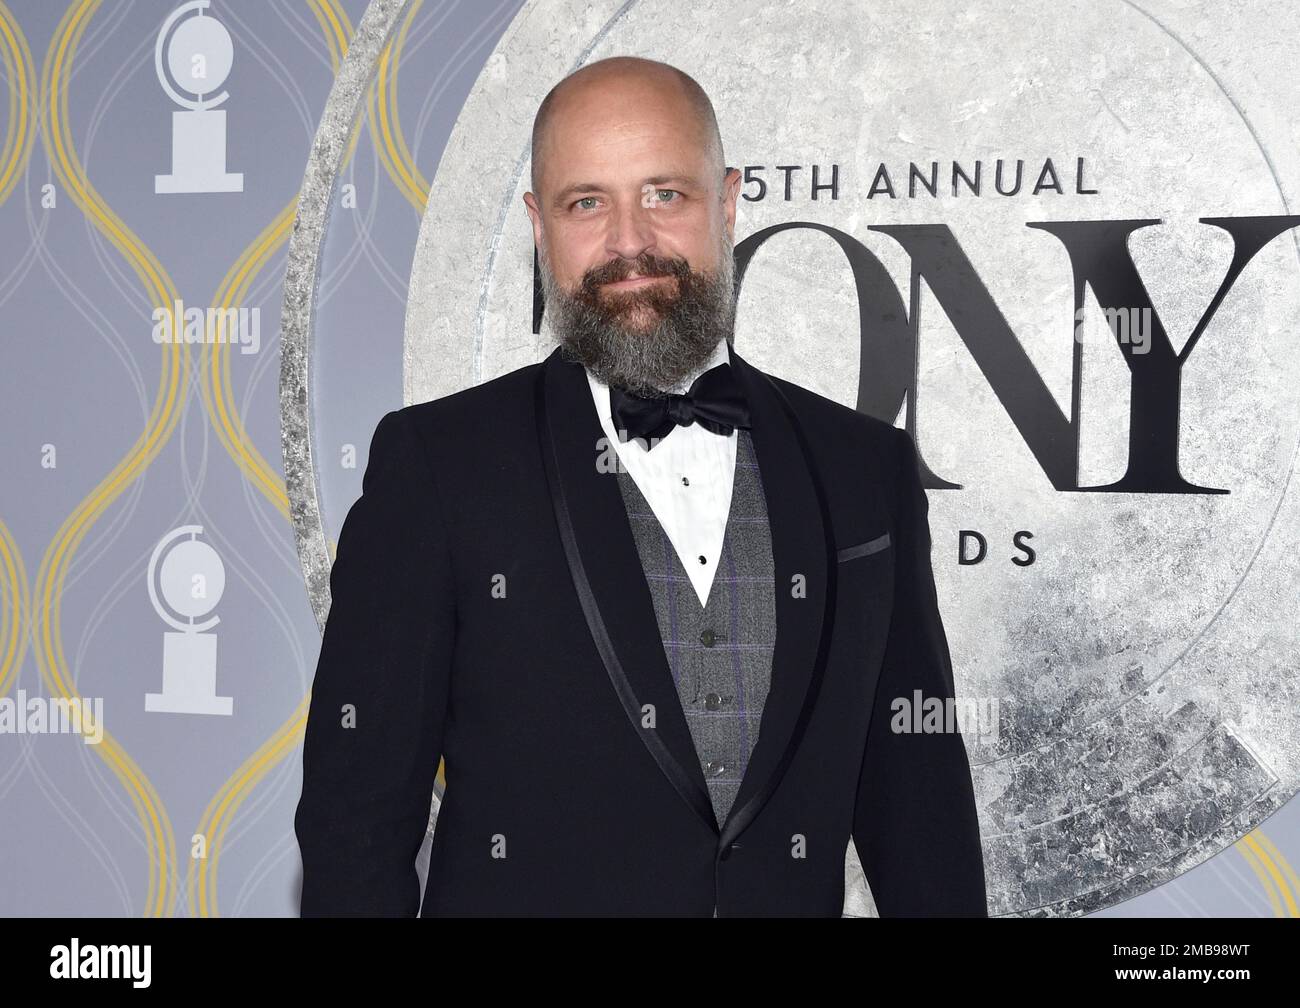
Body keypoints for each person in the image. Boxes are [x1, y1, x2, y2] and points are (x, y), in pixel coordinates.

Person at [294, 55, 987, 917]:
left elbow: (919, 811)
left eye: (665, 194)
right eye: (587, 202)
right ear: (539, 228)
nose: (629, 243)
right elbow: (355, 821)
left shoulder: (864, 472)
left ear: (727, 204)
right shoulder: (439, 467)